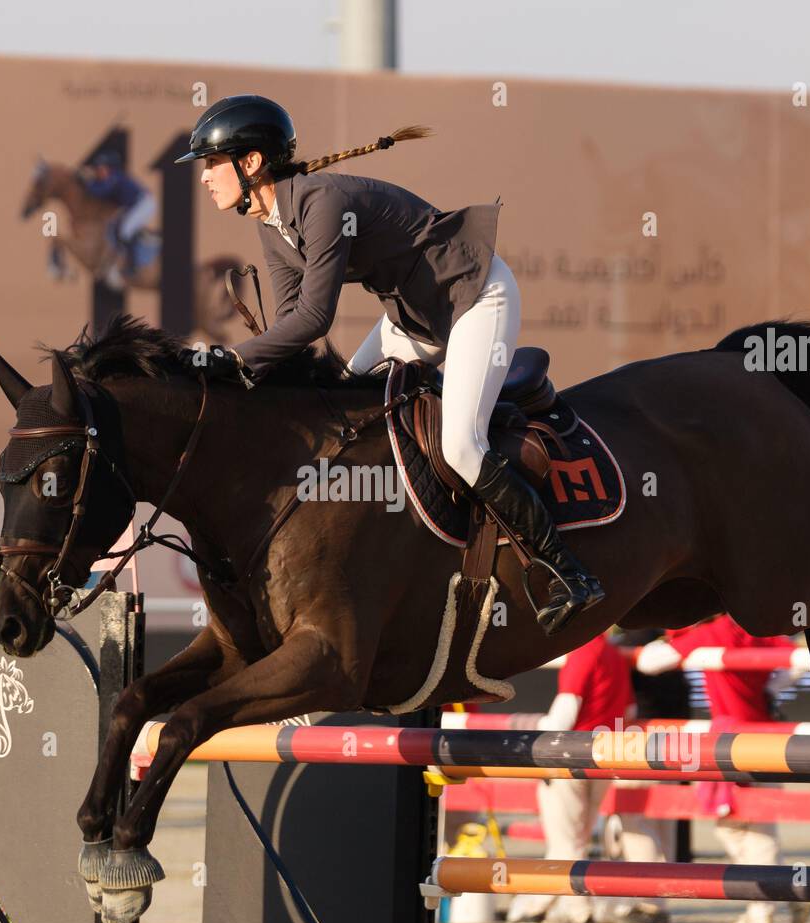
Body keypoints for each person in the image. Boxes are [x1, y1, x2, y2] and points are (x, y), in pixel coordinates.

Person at [173, 94, 602, 634]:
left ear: (251, 162)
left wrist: (230, 358)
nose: (206, 177)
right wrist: (240, 375)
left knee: (462, 447)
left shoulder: (322, 202)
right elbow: (287, 327)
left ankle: (565, 570)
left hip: (474, 298)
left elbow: (312, 318)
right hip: (413, 320)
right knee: (348, 411)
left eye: (212, 164)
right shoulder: (271, 223)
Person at [635, 614, 806, 923]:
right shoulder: (758, 625)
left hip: (730, 742)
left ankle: (764, 911)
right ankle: (785, 896)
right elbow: (797, 660)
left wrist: (670, 641)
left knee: (745, 829)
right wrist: (770, 687)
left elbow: (649, 663)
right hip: (767, 736)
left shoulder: (712, 632)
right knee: (750, 827)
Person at [506, 631, 670, 923]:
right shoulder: (612, 654)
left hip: (568, 755)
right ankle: (536, 908)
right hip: (602, 757)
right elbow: (629, 711)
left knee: (565, 840)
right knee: (575, 839)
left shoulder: (582, 651)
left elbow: (565, 713)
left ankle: (576, 913)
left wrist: (530, 732)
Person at [78, 152, 159, 283]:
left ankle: (132, 266)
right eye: (97, 168)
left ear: (109, 168)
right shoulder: (110, 178)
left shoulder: (114, 177)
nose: (99, 171)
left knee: (125, 230)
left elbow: (100, 192)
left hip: (144, 203)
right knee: (113, 226)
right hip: (133, 205)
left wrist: (86, 182)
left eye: (101, 168)